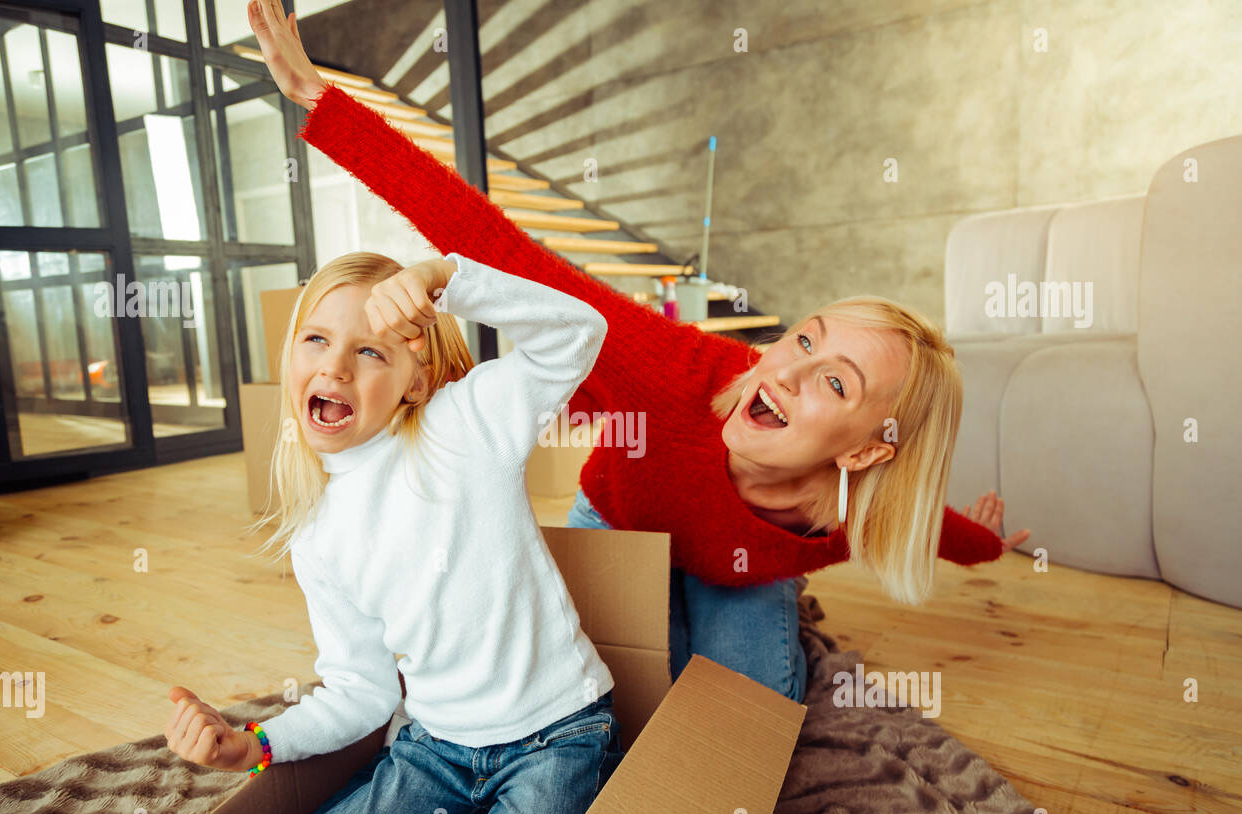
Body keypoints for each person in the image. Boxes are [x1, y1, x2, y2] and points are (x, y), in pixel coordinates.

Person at [245, 0, 1031, 704]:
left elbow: (926, 521)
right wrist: (326, 104)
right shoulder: (670, 370)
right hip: (620, 521)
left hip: (737, 567)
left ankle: (729, 605)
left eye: (831, 378)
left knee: (746, 709)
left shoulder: (863, 507)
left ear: (864, 453)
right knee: (617, 693)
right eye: (803, 337)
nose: (782, 368)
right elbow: (497, 246)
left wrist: (994, 544)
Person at [164, 250, 623, 814]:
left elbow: (578, 333)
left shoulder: (466, 426)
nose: (335, 366)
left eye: (370, 350)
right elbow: (361, 688)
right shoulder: (317, 535)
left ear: (418, 380)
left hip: (558, 737)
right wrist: (253, 744)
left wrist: (446, 279)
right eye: (317, 340)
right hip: (435, 750)